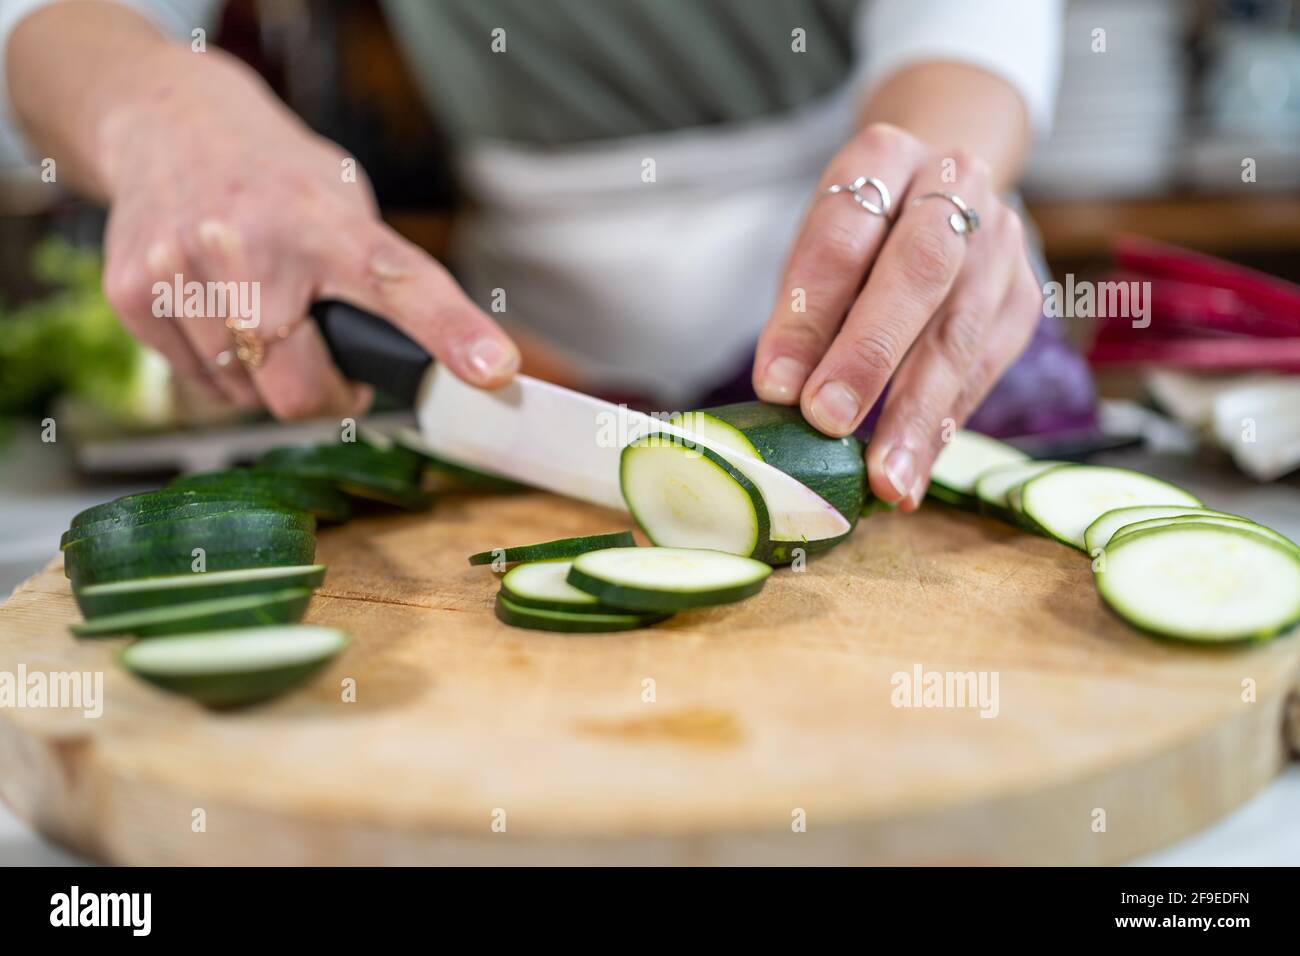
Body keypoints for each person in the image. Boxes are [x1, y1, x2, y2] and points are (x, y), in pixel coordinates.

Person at [3, 0, 1079, 511]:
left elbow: (966, 41)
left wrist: (936, 179)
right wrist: (160, 116)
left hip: (908, 332)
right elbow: (46, 22)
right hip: (526, 356)